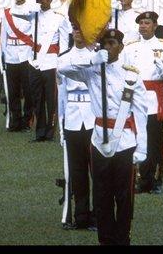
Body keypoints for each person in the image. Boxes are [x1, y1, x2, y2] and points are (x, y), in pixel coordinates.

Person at [57, 29, 148, 245]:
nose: (107, 47)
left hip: (124, 141)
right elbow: (62, 69)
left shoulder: (131, 76)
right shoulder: (92, 70)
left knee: (123, 196)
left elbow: (141, 113)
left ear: (121, 47)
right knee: (101, 195)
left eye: (112, 43)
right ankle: (105, 240)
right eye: (104, 43)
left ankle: (122, 239)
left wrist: (142, 147)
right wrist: (91, 60)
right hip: (99, 140)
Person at [122, 11, 163, 194]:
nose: (143, 26)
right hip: (134, 96)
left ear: (155, 26)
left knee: (155, 141)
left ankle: (155, 179)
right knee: (135, 137)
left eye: (147, 23)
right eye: (141, 23)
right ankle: (140, 178)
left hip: (154, 99)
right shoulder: (130, 48)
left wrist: (162, 69)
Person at [56, 22, 96, 231]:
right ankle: (81, 216)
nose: (78, 32)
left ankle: (97, 215)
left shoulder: (96, 56)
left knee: (96, 171)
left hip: (93, 117)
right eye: (75, 29)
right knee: (77, 171)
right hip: (72, 119)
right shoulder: (63, 58)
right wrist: (61, 127)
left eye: (81, 28)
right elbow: (61, 96)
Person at [0, 0, 36, 131]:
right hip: (11, 54)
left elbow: (34, 34)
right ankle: (15, 121)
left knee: (28, 90)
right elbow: (3, 36)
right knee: (12, 91)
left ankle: (27, 121)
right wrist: (2, 55)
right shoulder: (7, 12)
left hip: (26, 53)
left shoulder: (32, 11)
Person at [27, 0, 63, 142]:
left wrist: (61, 62)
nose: (43, 1)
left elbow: (64, 42)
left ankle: (50, 130)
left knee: (51, 98)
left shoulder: (58, 18)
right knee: (37, 97)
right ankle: (40, 131)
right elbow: (15, 11)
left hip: (51, 61)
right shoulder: (32, 15)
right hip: (34, 61)